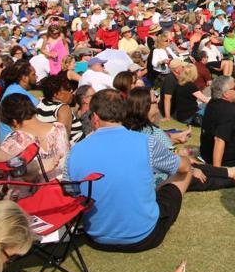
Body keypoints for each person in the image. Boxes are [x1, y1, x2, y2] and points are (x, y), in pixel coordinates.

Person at [66, 89, 193, 252]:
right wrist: (185, 159)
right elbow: (183, 167)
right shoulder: (146, 142)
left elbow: (68, 192)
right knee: (185, 170)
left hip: (96, 236)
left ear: (95, 117)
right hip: (143, 236)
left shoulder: (75, 151)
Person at [199, 76, 235, 168]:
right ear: (226, 94)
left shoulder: (213, 103)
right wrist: (217, 171)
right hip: (230, 160)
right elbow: (219, 140)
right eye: (234, 88)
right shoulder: (228, 111)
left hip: (207, 154)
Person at [0, 60, 39, 143]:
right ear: (24, 78)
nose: (36, 77)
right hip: (14, 145)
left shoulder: (12, 88)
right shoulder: (17, 94)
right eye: (33, 74)